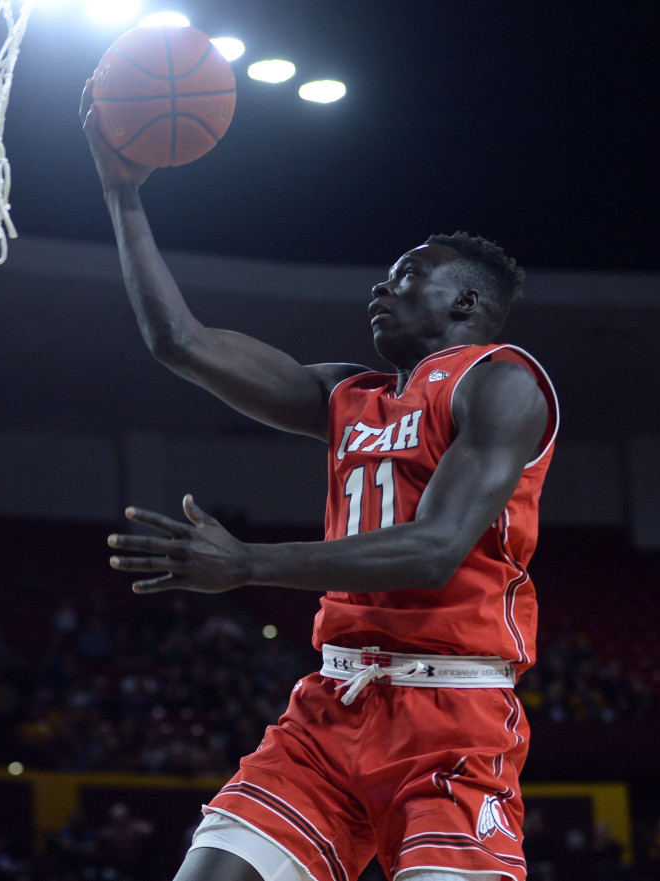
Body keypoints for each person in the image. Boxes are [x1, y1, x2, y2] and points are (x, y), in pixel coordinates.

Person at [82, 73, 558, 881]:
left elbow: (434, 549)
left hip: (453, 715)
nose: (382, 285)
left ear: (466, 299)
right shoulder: (351, 393)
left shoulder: (501, 380)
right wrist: (122, 193)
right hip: (332, 707)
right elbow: (181, 343)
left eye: (409, 274)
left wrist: (248, 564)